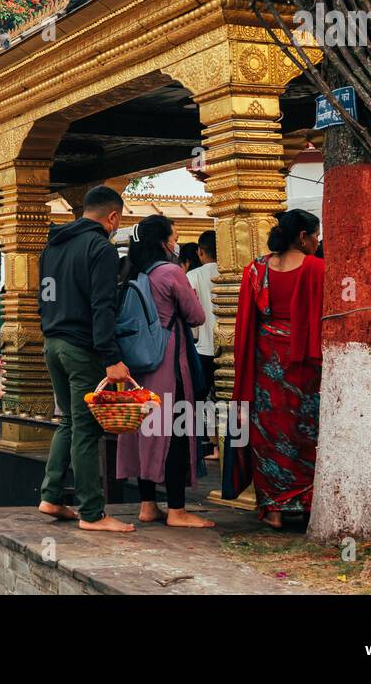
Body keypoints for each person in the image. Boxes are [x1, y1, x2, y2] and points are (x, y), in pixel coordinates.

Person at [37, 185, 134, 533]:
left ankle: (51, 496)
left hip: (52, 343)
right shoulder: (100, 249)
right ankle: (92, 513)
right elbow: (102, 307)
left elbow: (43, 298)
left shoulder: (52, 246)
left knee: (68, 422)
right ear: (113, 217)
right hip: (81, 348)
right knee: (87, 428)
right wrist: (111, 356)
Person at [113, 215, 214, 528]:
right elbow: (196, 316)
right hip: (167, 360)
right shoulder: (170, 271)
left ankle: (147, 506)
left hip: (136, 363)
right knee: (174, 432)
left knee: (144, 431)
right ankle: (177, 510)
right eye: (174, 237)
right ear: (162, 241)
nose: (176, 242)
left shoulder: (132, 270)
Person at [228, 208, 325, 528]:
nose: (317, 242)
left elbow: (246, 321)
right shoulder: (318, 268)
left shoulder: (255, 269)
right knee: (305, 431)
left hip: (264, 362)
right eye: (315, 236)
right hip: (305, 364)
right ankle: (307, 503)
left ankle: (272, 509)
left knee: (267, 430)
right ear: (302, 236)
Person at [185, 231, 220, 460]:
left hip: (202, 347)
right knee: (226, 400)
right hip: (229, 345)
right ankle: (222, 447)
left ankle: (198, 445)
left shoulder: (193, 275)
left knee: (198, 399)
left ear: (200, 251)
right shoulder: (234, 271)